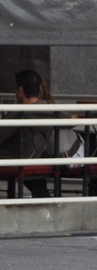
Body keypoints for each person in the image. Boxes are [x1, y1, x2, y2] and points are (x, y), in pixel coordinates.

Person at [1, 70, 55, 198]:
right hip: (34, 157)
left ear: (20, 89)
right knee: (38, 185)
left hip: (14, 160)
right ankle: (46, 205)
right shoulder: (50, 109)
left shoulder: (18, 113)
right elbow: (73, 120)